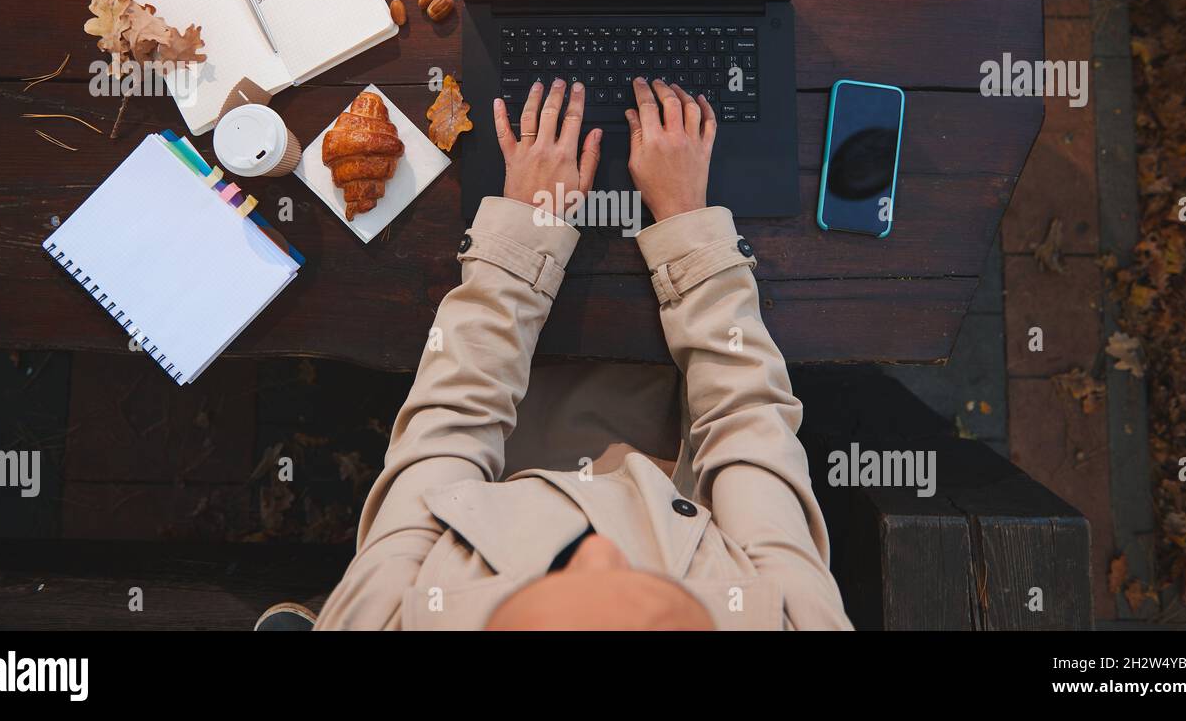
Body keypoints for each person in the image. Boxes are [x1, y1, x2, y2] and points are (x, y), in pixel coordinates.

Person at [313, 77, 852, 630]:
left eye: (562, 574)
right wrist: (686, 218)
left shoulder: (379, 617)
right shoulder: (796, 620)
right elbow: (746, 419)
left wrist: (528, 224)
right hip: (674, 454)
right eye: (648, 600)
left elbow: (452, 415)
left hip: (510, 443)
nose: (598, 548)